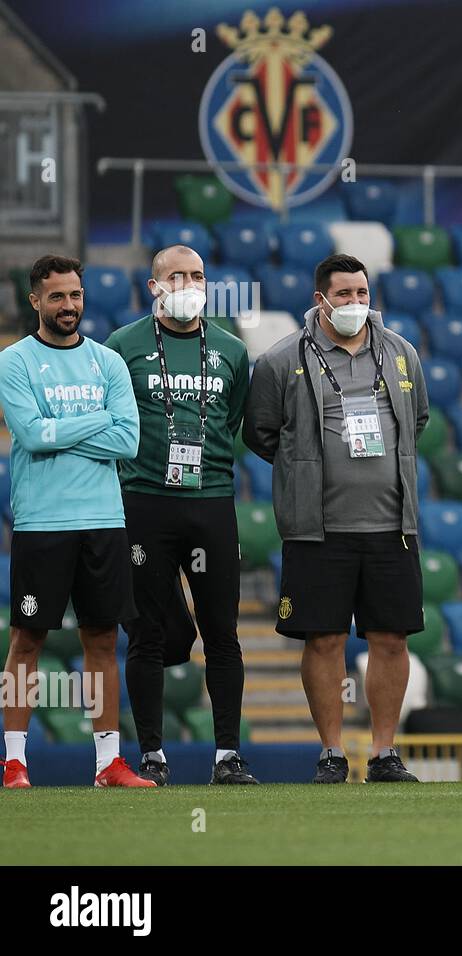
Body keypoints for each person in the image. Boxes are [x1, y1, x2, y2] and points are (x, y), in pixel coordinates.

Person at [244, 254, 429, 784]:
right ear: (320, 299)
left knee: (391, 639)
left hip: (392, 525)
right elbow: (260, 433)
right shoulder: (281, 360)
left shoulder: (400, 353)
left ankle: (384, 753)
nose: (355, 304)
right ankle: (330, 752)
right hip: (317, 527)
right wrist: (304, 469)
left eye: (362, 293)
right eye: (344, 294)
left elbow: (416, 420)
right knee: (322, 639)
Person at [106, 244, 256, 786]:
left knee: (223, 632)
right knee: (147, 634)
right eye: (177, 276)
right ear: (154, 286)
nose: (189, 284)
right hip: (144, 500)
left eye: (197, 275)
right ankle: (151, 754)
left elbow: (233, 418)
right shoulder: (121, 347)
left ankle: (228, 756)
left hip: (212, 500)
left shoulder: (232, 351)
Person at [0, 255, 151, 788]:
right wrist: (96, 422)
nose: (69, 306)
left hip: (104, 519)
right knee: (27, 640)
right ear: (35, 300)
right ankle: (14, 761)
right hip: (42, 521)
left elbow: (128, 441)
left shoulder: (107, 362)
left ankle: (108, 763)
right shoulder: (14, 362)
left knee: (103, 640)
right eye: (57, 297)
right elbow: (32, 433)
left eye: (76, 296)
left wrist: (59, 426)